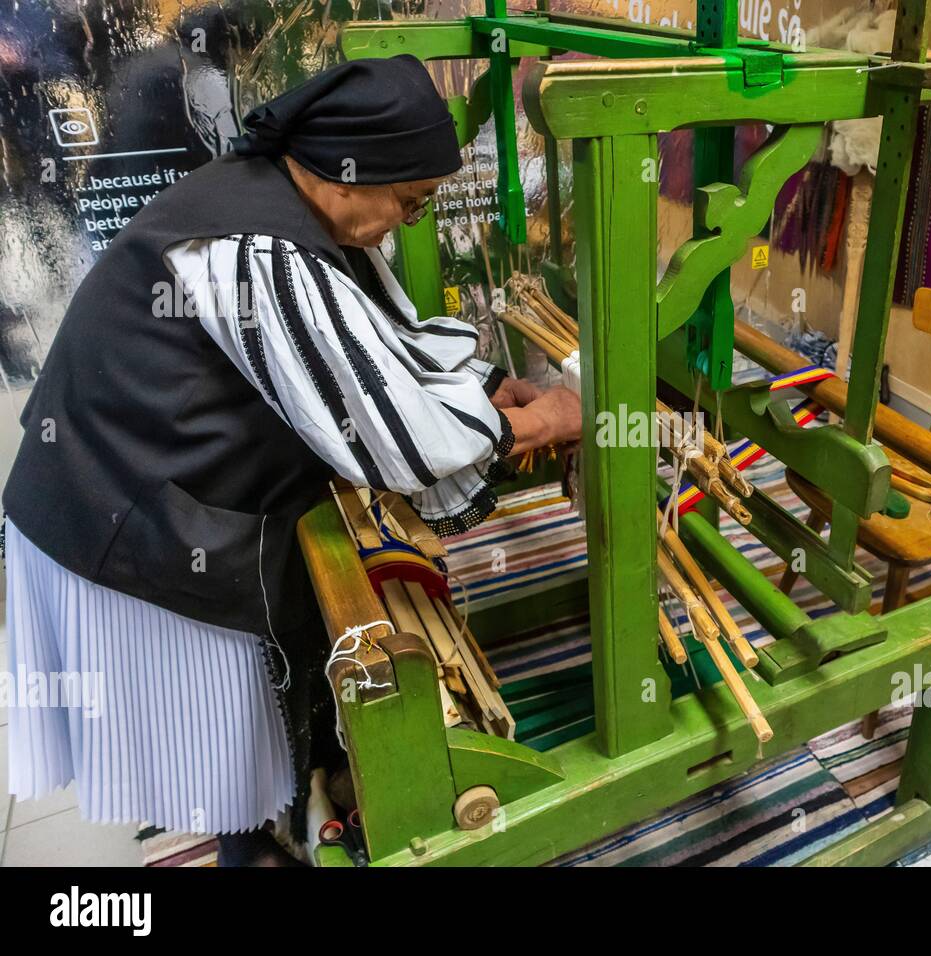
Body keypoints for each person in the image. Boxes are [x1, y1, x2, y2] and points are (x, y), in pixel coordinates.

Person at [2, 54, 580, 865]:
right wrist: (556, 414)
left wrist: (490, 385)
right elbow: (399, 437)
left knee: (246, 733)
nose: (407, 223)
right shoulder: (256, 250)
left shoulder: (294, 200)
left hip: (138, 490)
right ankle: (259, 846)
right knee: (216, 745)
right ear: (351, 176)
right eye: (408, 205)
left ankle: (270, 826)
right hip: (118, 518)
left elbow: (379, 341)